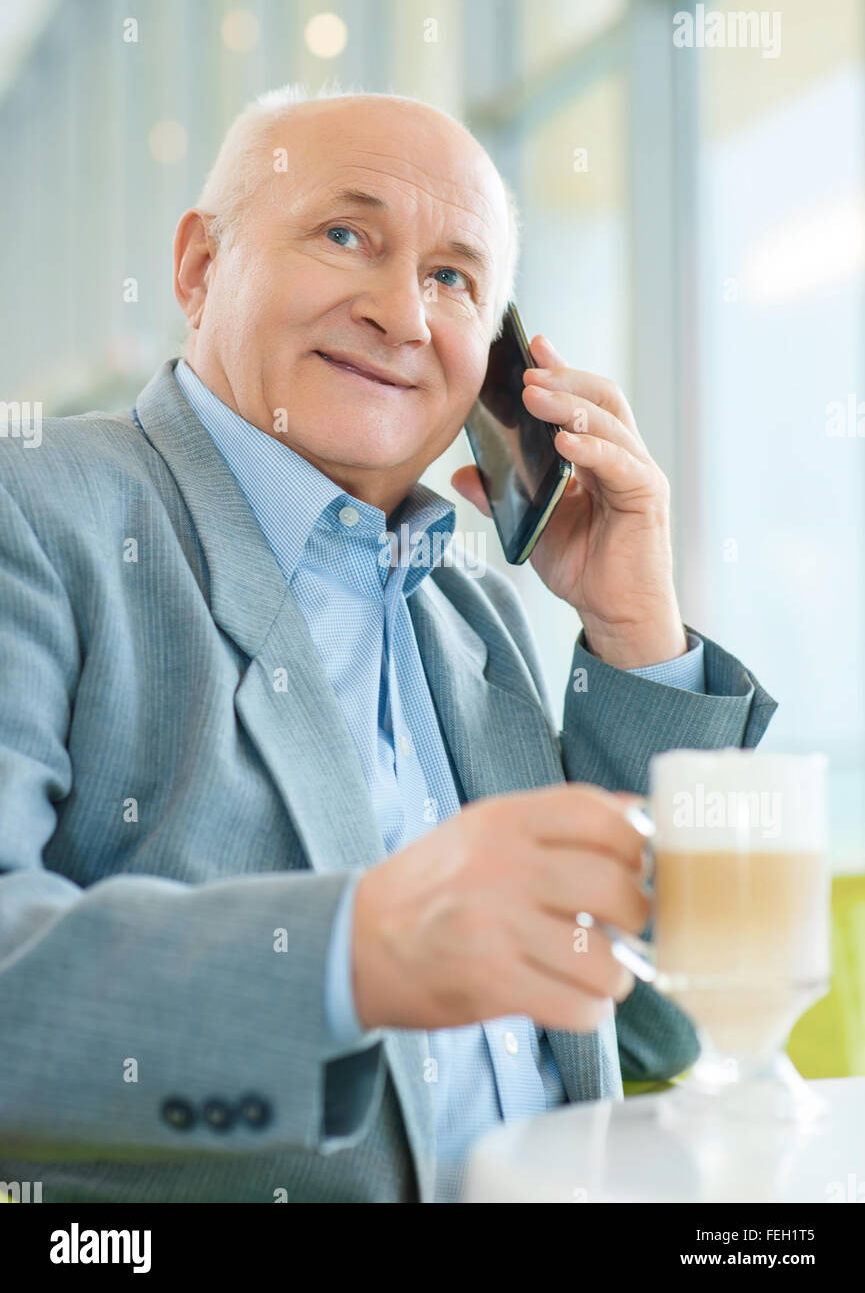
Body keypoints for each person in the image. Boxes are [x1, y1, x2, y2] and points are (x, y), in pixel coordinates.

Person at [0, 83, 777, 1204]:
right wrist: (351, 953)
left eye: (452, 278)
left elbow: (647, 1018)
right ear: (198, 267)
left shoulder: (472, 615)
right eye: (345, 234)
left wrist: (630, 633)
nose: (403, 316)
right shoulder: (38, 513)